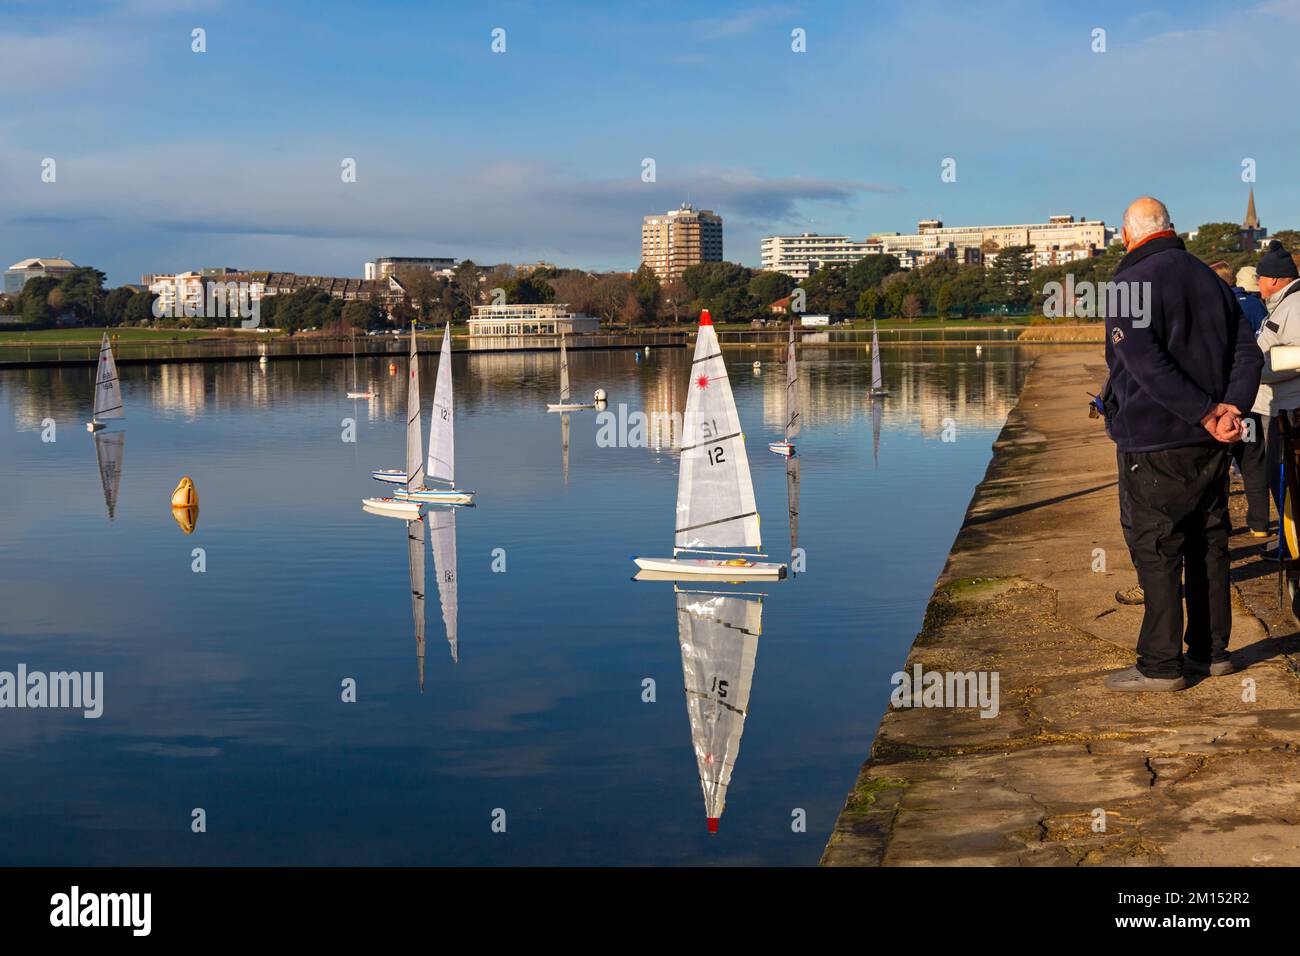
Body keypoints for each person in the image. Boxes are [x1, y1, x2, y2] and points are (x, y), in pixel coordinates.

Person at [1102, 197, 1263, 692]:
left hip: (1155, 439)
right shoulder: (1211, 279)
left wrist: (1206, 411)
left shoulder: (1127, 285)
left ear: (1130, 236)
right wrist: (1229, 408)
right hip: (1211, 440)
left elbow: (1145, 366)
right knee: (1208, 543)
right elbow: (1248, 352)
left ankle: (1160, 664)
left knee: (1157, 548)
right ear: (1170, 229)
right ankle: (1212, 652)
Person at [1208, 264, 1270, 536]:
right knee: (1253, 464)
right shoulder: (1256, 306)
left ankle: (1220, 527)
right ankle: (1260, 525)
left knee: (1217, 467)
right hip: (1250, 399)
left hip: (1219, 404)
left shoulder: (1214, 308)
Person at [1250, 240, 1300, 554]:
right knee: (1279, 477)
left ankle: (1290, 545)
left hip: (1288, 407)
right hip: (1277, 404)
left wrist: (1255, 369)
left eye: (1259, 278)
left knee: (1285, 479)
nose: (1256, 284)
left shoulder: (1294, 305)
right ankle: (1286, 541)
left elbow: (1296, 355)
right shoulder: (1284, 303)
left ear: (1274, 280)